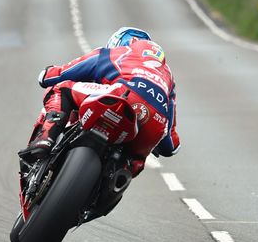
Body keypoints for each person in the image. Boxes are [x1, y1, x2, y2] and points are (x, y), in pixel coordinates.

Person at [20, 27, 180, 178]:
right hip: (155, 123)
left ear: (118, 43)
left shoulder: (113, 53)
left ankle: (45, 139)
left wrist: (46, 73)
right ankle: (118, 178)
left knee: (62, 88)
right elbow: (170, 145)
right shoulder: (168, 77)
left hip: (119, 95)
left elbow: (57, 75)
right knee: (134, 161)